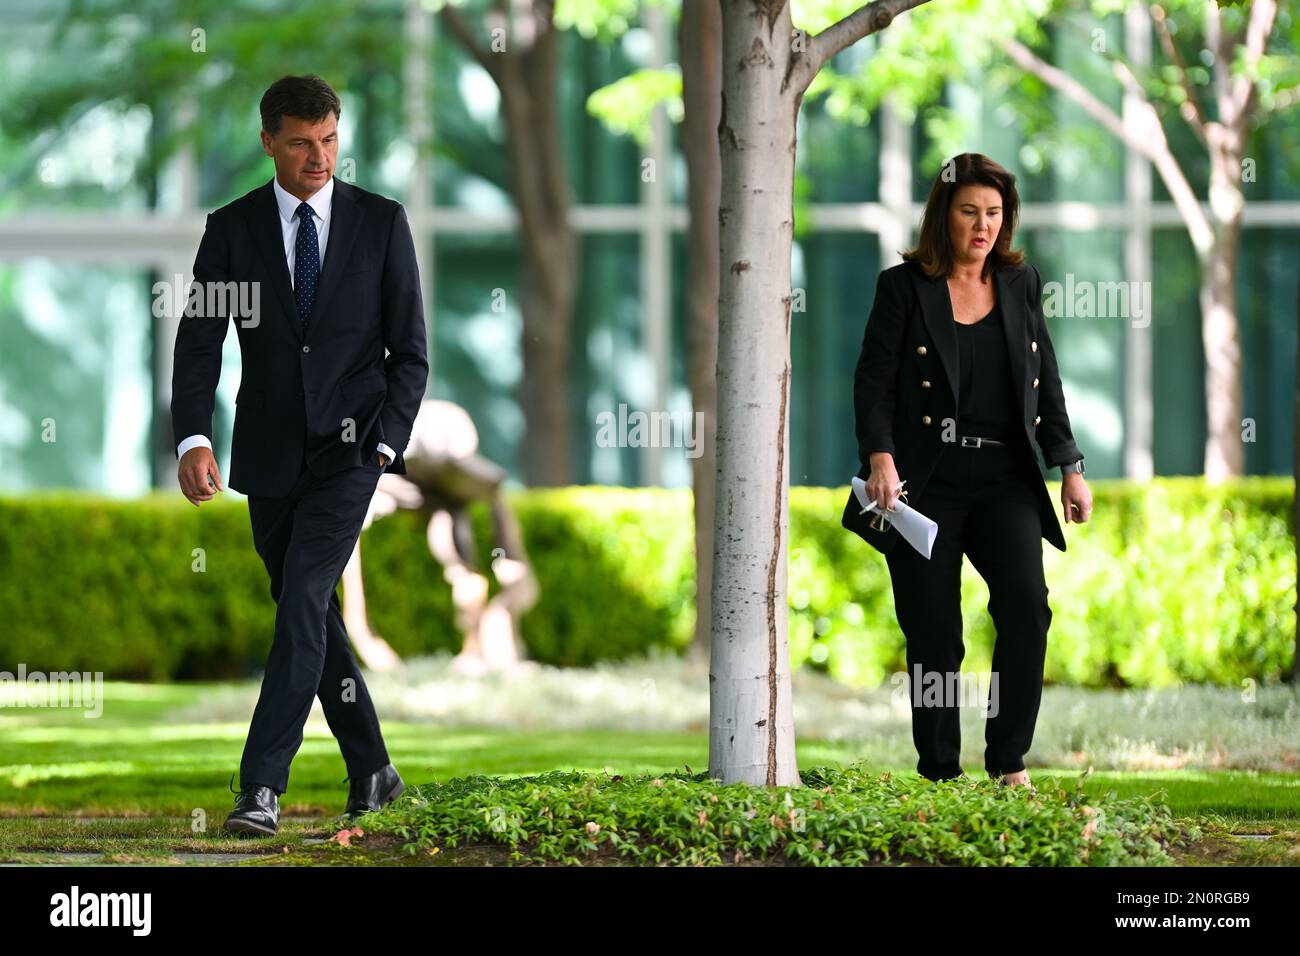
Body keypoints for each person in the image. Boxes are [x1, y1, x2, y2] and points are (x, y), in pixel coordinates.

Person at [170, 74, 429, 835]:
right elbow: (199, 343)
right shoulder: (232, 229)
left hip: (354, 455)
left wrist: (384, 445)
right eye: (301, 143)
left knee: (306, 598)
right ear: (269, 142)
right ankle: (374, 770)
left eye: (330, 141)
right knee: (307, 610)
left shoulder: (381, 224)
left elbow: (409, 353)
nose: (319, 158)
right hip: (270, 455)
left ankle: (261, 788)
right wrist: (193, 436)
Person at [841, 153, 1092, 792]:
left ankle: (1008, 761)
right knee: (934, 633)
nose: (983, 226)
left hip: (1005, 476)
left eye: (994, 213)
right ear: (943, 216)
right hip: (923, 483)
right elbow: (872, 381)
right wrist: (880, 457)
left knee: (1027, 609)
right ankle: (941, 776)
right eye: (969, 212)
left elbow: (1047, 381)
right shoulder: (903, 287)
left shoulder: (1019, 282)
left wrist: (1069, 465)